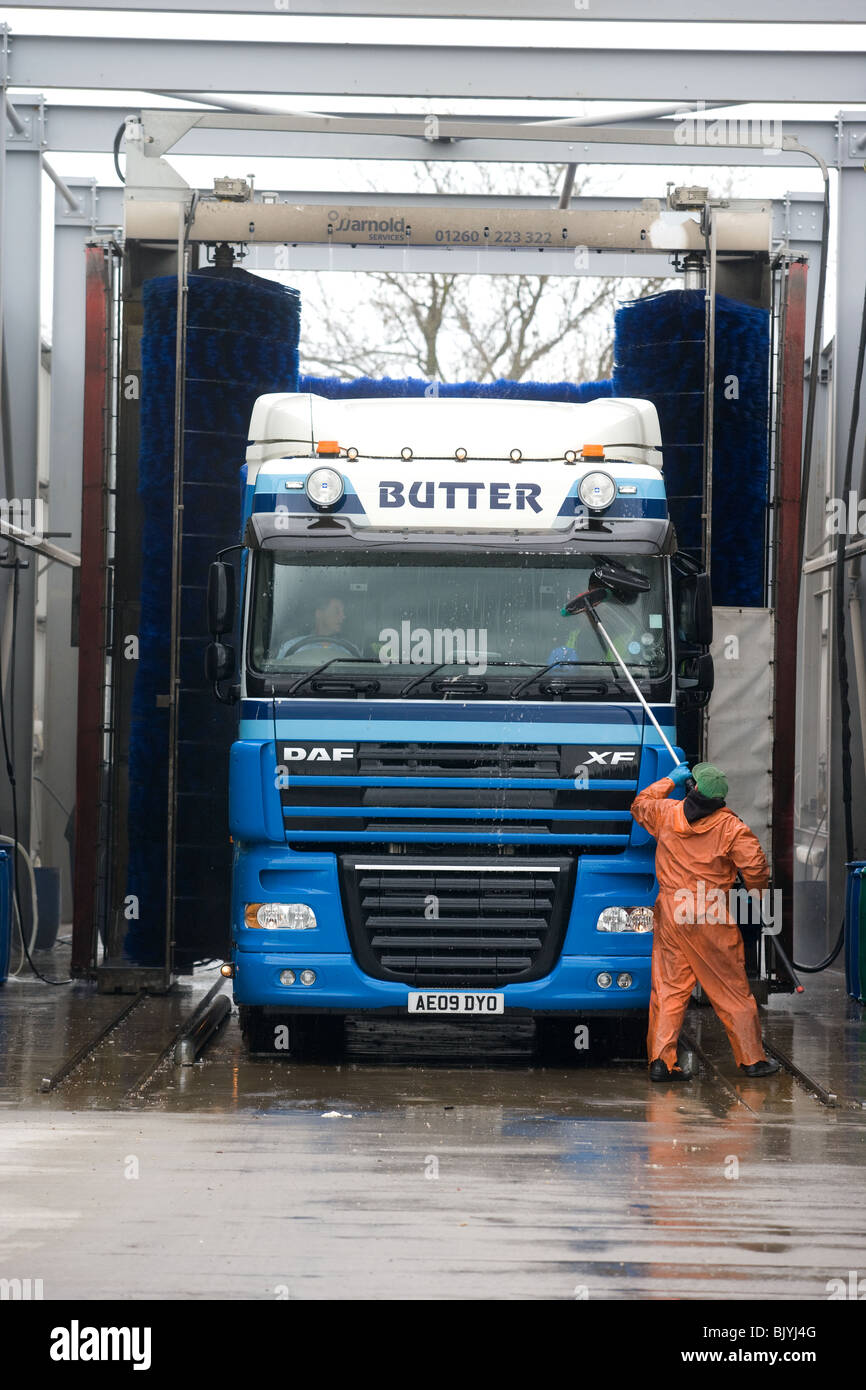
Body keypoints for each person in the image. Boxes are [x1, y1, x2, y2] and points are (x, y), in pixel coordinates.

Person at [630, 761, 780, 1082]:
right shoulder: (731, 828)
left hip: (671, 910)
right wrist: (758, 895)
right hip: (709, 911)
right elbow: (755, 865)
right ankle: (752, 1060)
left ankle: (661, 1060)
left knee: (669, 990)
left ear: (693, 787)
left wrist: (668, 781)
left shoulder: (667, 814)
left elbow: (640, 805)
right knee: (731, 990)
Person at [276, 593, 361, 660]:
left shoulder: (351, 651)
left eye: (343, 612)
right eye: (337, 611)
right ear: (319, 614)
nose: (343, 616)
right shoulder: (291, 647)